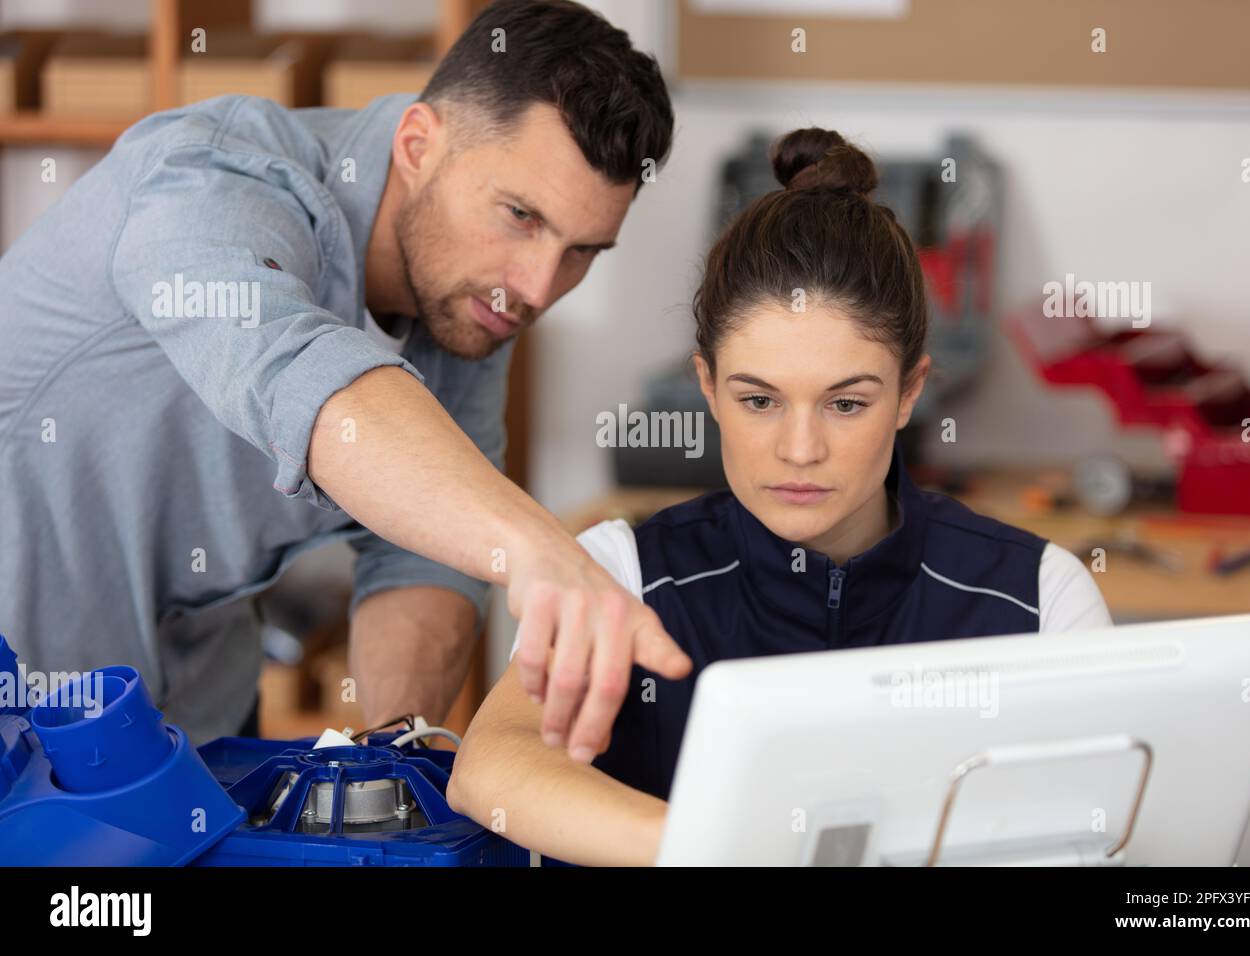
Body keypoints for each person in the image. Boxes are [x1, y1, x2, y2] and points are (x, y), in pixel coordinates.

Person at [0, 0, 691, 749]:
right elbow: (301, 377)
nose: (536, 286)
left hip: (186, 721)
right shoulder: (210, 179)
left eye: (583, 250)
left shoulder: (469, 300)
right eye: (521, 214)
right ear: (419, 145)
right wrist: (541, 548)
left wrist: (395, 750)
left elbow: (419, 554)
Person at [447, 128, 1114, 866]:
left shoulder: (1040, 601)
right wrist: (732, 848)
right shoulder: (620, 576)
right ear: (707, 386)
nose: (801, 451)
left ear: (910, 393)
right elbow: (492, 770)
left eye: (847, 404)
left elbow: (1115, 839)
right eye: (759, 401)